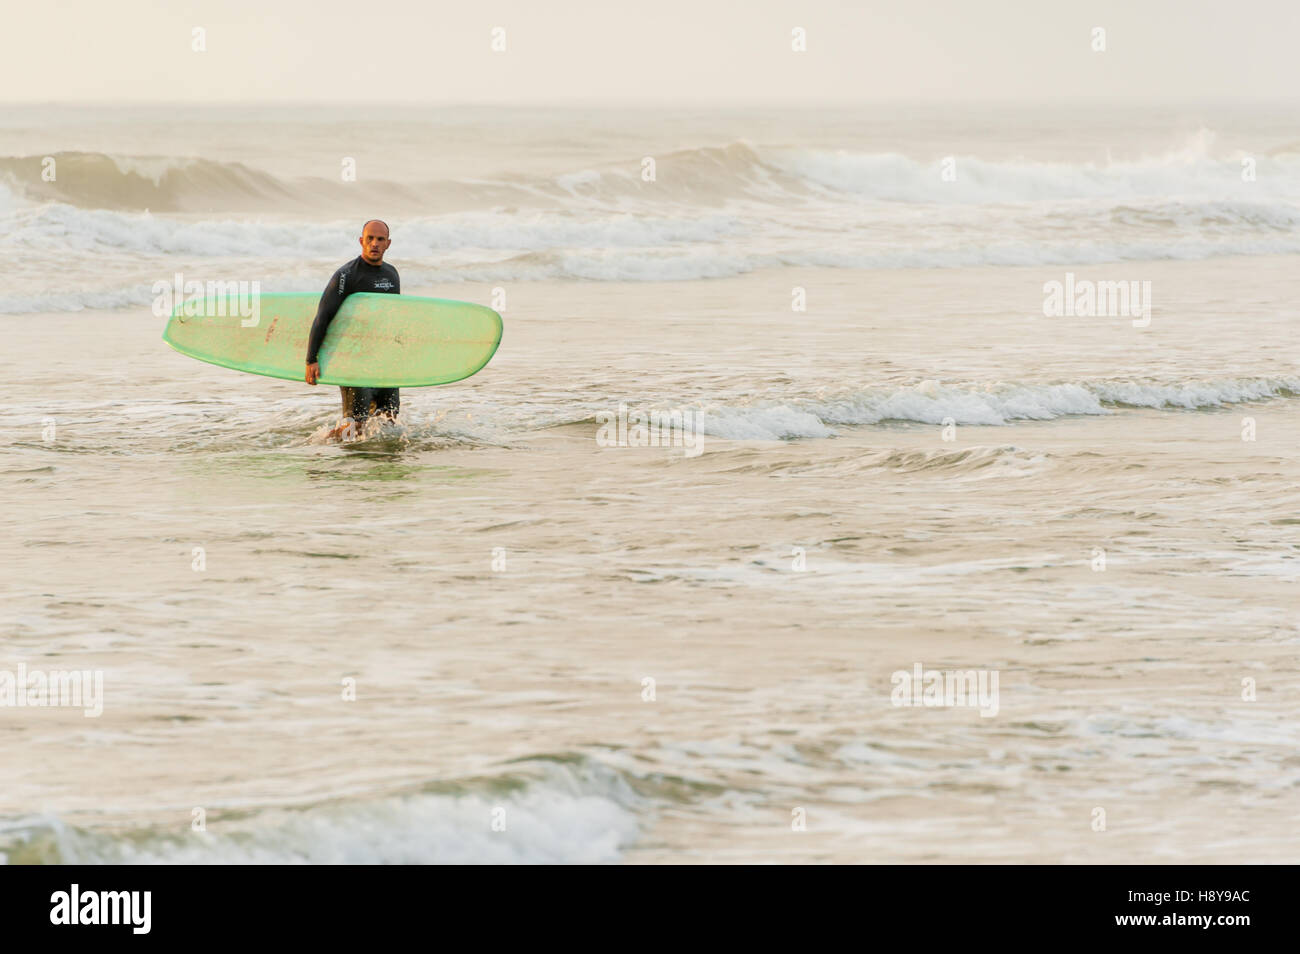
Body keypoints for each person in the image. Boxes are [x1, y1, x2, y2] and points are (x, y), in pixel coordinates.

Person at [304, 220, 401, 440]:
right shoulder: (346, 275)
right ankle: (321, 443)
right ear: (361, 241)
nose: (374, 243)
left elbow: (392, 318)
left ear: (388, 244)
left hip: (382, 361)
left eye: (380, 239)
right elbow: (323, 316)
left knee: (389, 422)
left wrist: (398, 356)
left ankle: (379, 467)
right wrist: (311, 359)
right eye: (370, 238)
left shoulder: (392, 274)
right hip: (354, 360)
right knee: (354, 428)